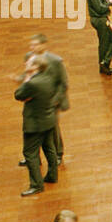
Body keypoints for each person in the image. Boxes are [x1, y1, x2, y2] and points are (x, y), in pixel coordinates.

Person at [16, 55, 59, 196]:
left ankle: (36, 185)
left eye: (28, 63)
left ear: (35, 67)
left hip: (35, 123)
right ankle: (52, 175)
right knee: (49, 148)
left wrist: (27, 79)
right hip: (48, 119)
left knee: (30, 153)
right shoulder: (49, 78)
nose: (25, 64)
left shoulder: (32, 83)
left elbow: (18, 95)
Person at [26, 34, 67, 165]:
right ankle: (34, 156)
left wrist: (56, 100)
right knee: (33, 127)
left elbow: (63, 82)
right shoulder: (29, 57)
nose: (32, 47)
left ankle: (58, 154)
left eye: (35, 44)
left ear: (44, 45)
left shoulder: (55, 61)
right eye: (31, 45)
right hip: (35, 100)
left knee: (53, 129)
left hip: (51, 101)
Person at [87, 0, 112, 75]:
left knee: (109, 40)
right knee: (108, 41)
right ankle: (104, 64)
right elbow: (100, 8)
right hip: (100, 20)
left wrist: (110, 2)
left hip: (101, 19)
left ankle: (104, 64)